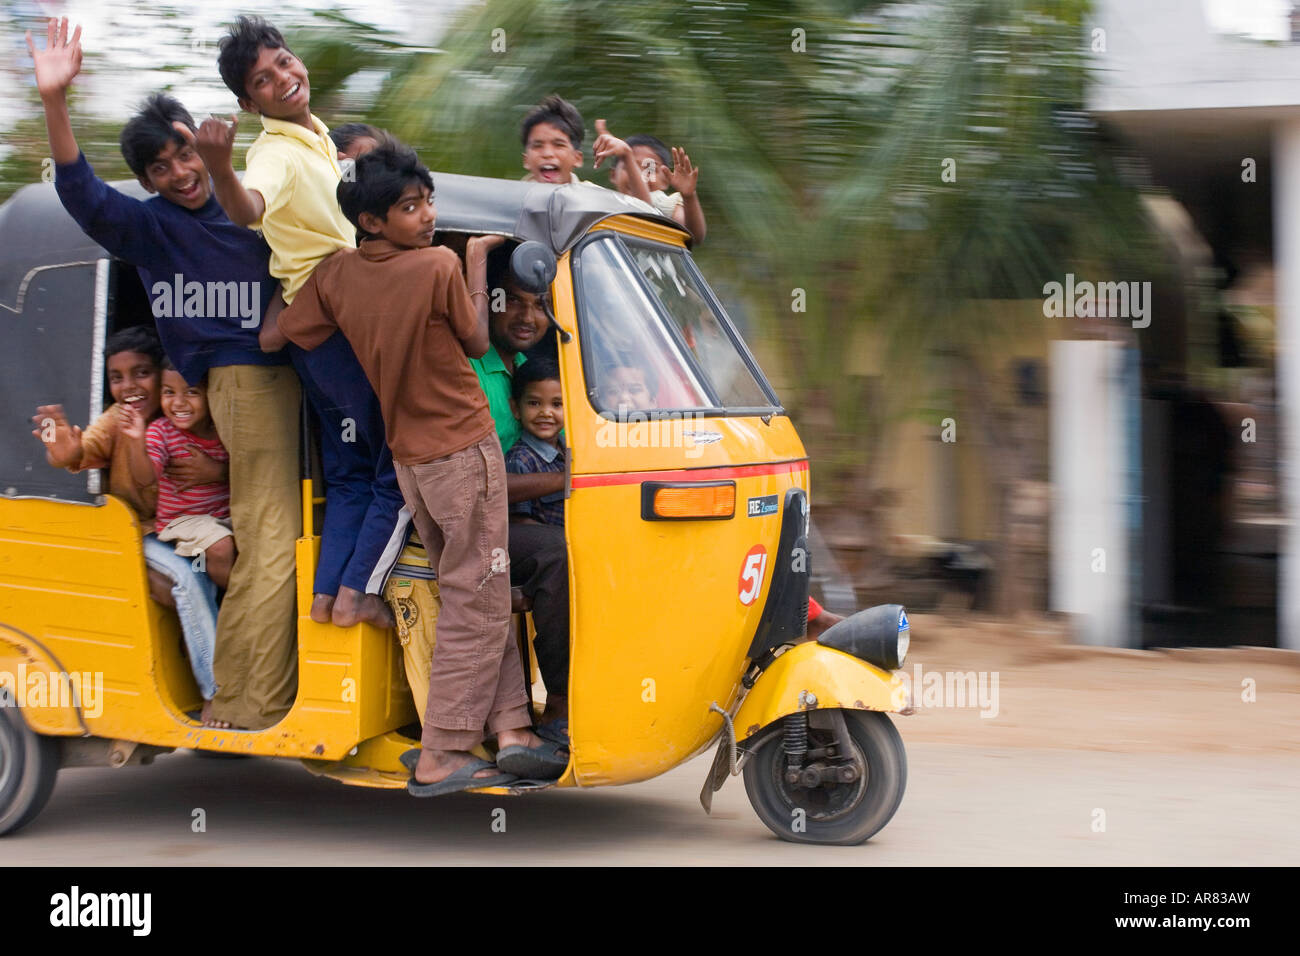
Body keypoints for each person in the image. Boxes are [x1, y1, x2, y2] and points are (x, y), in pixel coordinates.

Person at [27, 18, 298, 729]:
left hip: (261, 390)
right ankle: (245, 701)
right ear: (147, 181)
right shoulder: (150, 227)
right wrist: (56, 102)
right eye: (161, 170)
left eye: (186, 154)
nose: (180, 174)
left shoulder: (252, 204)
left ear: (205, 143)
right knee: (271, 542)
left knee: (265, 539)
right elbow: (81, 192)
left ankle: (245, 692)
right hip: (231, 384)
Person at [277, 141, 565, 793]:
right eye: (411, 206)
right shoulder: (437, 264)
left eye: (428, 201)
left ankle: (512, 727)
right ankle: (443, 748)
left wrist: (361, 384)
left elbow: (288, 331)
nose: (428, 214)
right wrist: (471, 259)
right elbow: (473, 340)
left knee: (471, 588)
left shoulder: (334, 275)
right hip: (464, 452)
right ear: (373, 220)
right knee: (480, 599)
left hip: (409, 461)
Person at [198, 15, 401, 631]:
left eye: (284, 62)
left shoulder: (315, 136)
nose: (283, 78)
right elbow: (248, 208)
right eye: (264, 78)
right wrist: (220, 168)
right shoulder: (275, 154)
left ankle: (325, 600)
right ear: (246, 100)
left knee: (347, 474)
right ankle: (361, 593)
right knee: (398, 464)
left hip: (319, 336)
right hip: (341, 330)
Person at [472, 256, 571, 740]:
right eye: (512, 300)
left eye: (539, 305)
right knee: (558, 554)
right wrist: (565, 481)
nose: (527, 317)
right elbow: (477, 480)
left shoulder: (547, 370)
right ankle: (559, 700)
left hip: (519, 520)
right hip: (473, 522)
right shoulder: (471, 366)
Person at [120, 360, 233, 718]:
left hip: (222, 519)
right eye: (169, 393)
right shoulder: (161, 432)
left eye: (191, 392)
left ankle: (229, 611)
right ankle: (214, 691)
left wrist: (220, 470)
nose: (179, 402)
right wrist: (137, 442)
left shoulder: (224, 430)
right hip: (179, 527)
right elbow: (145, 476)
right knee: (214, 557)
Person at [610, 133, 707, 241]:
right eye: (630, 166)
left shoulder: (662, 202)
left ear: (665, 181)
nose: (640, 176)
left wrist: (689, 197)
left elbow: (695, 235)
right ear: (613, 175)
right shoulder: (606, 203)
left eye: (650, 169)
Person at [505, 357, 566, 528]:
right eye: (534, 403)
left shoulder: (571, 450)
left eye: (557, 404)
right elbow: (520, 523)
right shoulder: (519, 460)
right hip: (554, 548)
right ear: (516, 409)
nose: (546, 413)